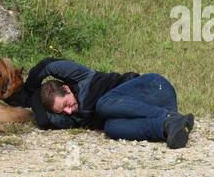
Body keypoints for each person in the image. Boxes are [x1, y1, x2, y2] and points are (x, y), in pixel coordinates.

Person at [22, 58, 195, 148]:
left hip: (153, 89)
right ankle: (168, 127)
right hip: (156, 109)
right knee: (111, 128)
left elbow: (48, 65)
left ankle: (170, 118)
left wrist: (28, 89)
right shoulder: (75, 117)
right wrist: (33, 99)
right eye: (62, 111)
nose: (68, 111)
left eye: (66, 104)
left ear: (67, 89)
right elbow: (44, 121)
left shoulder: (84, 77)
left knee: (103, 104)